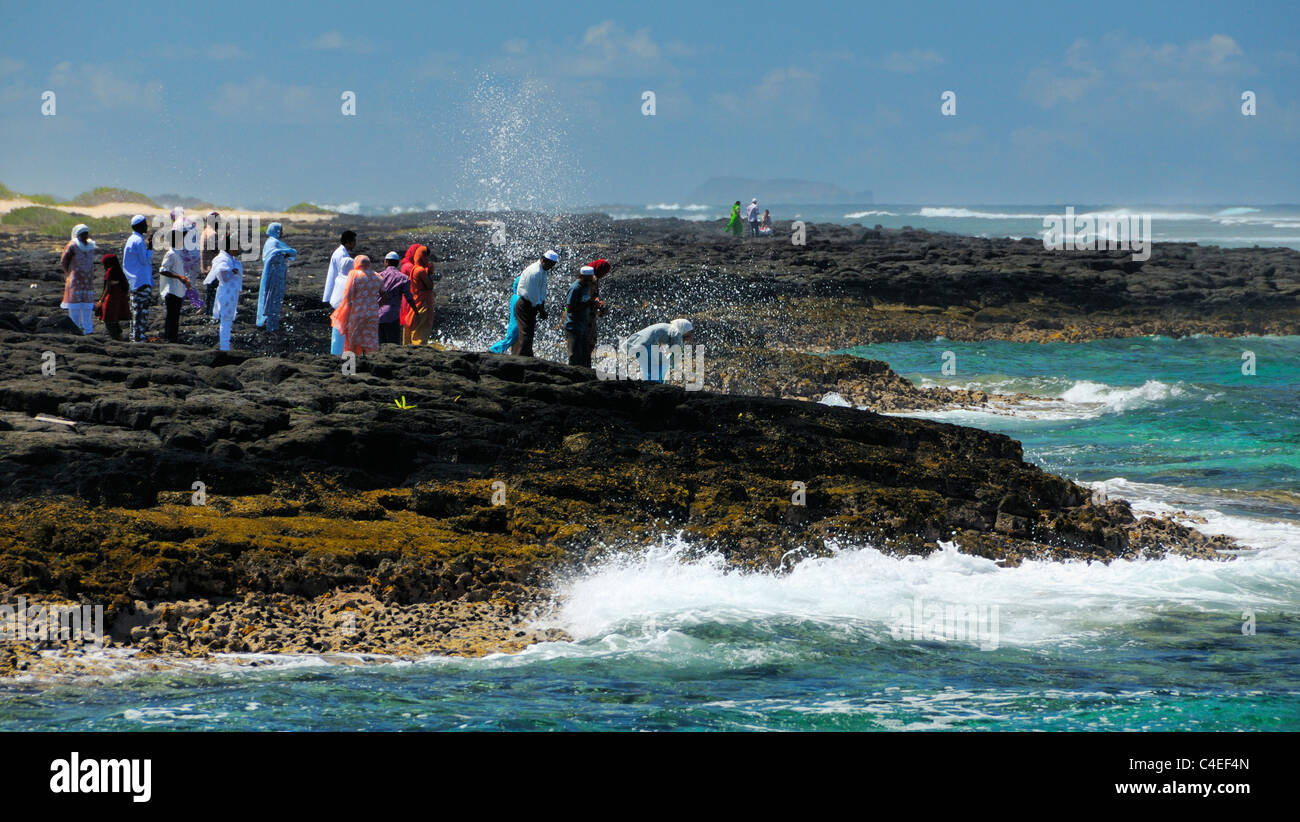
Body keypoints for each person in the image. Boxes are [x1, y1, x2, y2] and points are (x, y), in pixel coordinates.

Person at [331, 255, 383, 355]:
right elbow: (384, 295)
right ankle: (370, 364)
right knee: (370, 340)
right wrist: (377, 306)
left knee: (352, 342)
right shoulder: (377, 276)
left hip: (356, 313)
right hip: (372, 314)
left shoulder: (354, 274)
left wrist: (345, 313)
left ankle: (350, 368)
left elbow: (348, 295)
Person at [512, 250, 558, 357]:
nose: (550, 267)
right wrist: (540, 309)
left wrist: (541, 307)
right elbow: (532, 295)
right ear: (543, 260)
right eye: (550, 264)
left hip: (532, 305)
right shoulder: (535, 272)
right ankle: (522, 357)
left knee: (529, 332)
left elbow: (541, 291)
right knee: (525, 332)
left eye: (553, 265)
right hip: (525, 304)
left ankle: (525, 355)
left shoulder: (543, 270)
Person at [622, 318, 694, 383]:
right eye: (689, 332)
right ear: (684, 328)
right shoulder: (676, 331)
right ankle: (655, 385)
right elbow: (676, 351)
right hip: (646, 346)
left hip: (641, 345)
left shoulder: (669, 327)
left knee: (656, 366)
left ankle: (655, 384)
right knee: (661, 365)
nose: (691, 335)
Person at [256, 222, 297, 333]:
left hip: (272, 273)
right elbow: (292, 252)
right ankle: (272, 325)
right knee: (274, 297)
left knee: (270, 296)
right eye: (280, 230)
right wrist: (284, 254)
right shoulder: (275, 242)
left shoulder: (269, 242)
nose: (282, 232)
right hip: (275, 275)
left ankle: (270, 323)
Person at [121, 215, 154, 342]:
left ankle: (135, 335)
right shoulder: (138, 240)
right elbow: (144, 260)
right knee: (141, 310)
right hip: (140, 280)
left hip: (135, 280)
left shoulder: (132, 239)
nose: (147, 226)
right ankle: (138, 336)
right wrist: (150, 247)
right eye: (145, 224)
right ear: (139, 226)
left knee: (136, 309)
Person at [60, 224, 97, 334]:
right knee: (75, 308)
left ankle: (87, 330)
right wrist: (70, 273)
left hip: (86, 282)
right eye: (83, 234)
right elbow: (64, 261)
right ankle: (77, 330)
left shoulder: (91, 245)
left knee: (87, 308)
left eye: (86, 233)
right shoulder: (72, 246)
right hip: (76, 282)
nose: (85, 236)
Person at [209, 234, 245, 351]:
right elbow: (222, 275)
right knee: (225, 320)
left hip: (230, 294)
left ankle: (225, 345)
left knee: (227, 320)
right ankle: (224, 347)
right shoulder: (223, 259)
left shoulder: (230, 259)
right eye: (237, 246)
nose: (239, 249)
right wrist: (232, 272)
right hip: (226, 294)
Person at [563, 265, 603, 367]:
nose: (589, 283)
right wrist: (587, 304)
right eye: (586, 280)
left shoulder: (587, 286)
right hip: (573, 326)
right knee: (575, 355)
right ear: (580, 276)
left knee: (585, 354)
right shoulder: (575, 288)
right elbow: (569, 308)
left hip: (583, 325)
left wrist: (594, 303)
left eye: (590, 280)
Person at [157, 228, 192, 343]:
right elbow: (163, 270)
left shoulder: (178, 253)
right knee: (172, 316)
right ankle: (169, 338)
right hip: (171, 290)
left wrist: (185, 280)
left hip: (178, 289)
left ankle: (172, 338)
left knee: (175, 315)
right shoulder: (171, 254)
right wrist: (179, 277)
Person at [402, 245, 437, 346]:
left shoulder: (414, 268)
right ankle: (419, 347)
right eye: (425, 256)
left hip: (417, 300)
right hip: (423, 303)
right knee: (421, 329)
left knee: (414, 325)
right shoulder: (420, 270)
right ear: (421, 256)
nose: (427, 259)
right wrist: (429, 273)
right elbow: (430, 286)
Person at [377, 251, 414, 345]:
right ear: (397, 263)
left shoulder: (378, 276)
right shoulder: (404, 278)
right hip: (392, 316)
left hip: (377, 315)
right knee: (393, 345)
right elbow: (409, 297)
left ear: (386, 262)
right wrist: (416, 311)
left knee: (379, 345)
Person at [171, 208, 203, 310]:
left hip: (185, 258)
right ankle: (196, 304)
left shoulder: (177, 224)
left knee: (184, 283)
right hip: (195, 256)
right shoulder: (190, 223)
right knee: (190, 282)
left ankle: (195, 304)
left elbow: (176, 244)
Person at [584, 258, 612, 361]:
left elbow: (593, 297)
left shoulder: (595, 280)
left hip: (590, 316)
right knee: (586, 342)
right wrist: (596, 305)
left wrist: (598, 305)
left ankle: (586, 361)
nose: (604, 275)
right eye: (603, 272)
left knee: (590, 342)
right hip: (584, 317)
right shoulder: (588, 280)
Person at [98, 253, 131, 340]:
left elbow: (107, 287)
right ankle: (119, 337)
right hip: (118, 298)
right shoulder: (118, 271)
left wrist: (101, 300)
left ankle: (117, 338)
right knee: (114, 319)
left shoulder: (110, 271)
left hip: (111, 299)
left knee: (109, 319)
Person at [327, 254, 354, 355]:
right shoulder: (351, 281)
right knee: (346, 340)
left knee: (336, 338)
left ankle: (335, 356)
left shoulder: (338, 278)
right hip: (348, 313)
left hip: (337, 313)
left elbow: (334, 300)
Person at [321, 230, 357, 304]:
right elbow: (344, 275)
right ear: (348, 241)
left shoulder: (341, 252)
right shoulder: (342, 255)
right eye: (354, 241)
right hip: (337, 294)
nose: (355, 244)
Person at [200, 211, 221, 311]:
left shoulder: (206, 231)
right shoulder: (213, 234)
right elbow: (217, 250)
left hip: (206, 266)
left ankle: (208, 311)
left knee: (210, 293)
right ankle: (210, 313)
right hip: (211, 267)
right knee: (213, 293)